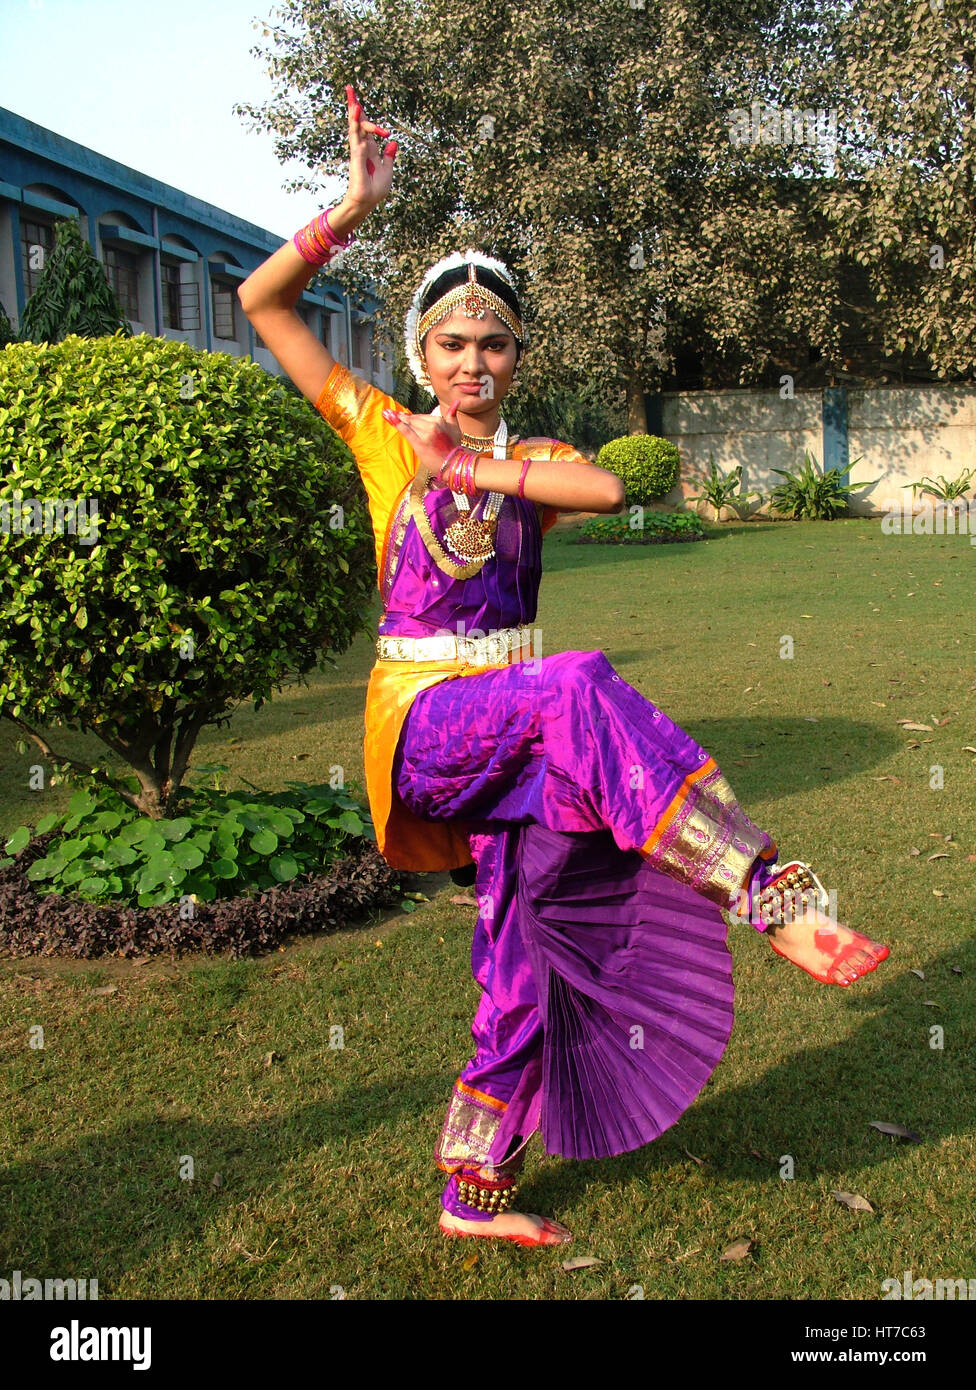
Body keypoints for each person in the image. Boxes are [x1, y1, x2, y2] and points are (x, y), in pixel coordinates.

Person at [238, 84, 891, 1248]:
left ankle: (470, 1191)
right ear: (419, 353)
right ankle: (768, 896)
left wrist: (478, 473)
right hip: (431, 729)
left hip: (528, 752)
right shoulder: (379, 432)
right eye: (452, 342)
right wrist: (353, 205)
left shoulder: (529, 458)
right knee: (579, 680)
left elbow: (605, 485)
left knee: (522, 961)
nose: (472, 360)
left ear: (517, 354)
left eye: (494, 342)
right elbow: (261, 300)